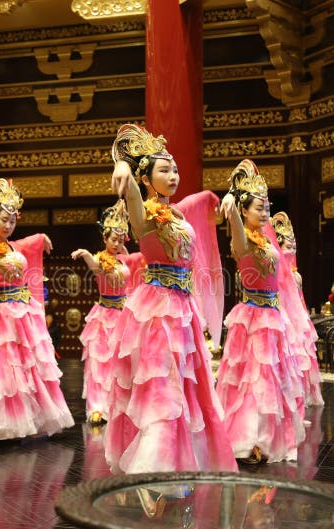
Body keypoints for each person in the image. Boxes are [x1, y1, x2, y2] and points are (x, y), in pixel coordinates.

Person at [105, 123, 237, 474]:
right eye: (164, 170)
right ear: (146, 178)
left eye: (175, 168)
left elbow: (202, 203)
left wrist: (227, 203)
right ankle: (153, 467)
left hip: (183, 306)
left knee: (184, 386)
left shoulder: (176, 214)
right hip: (158, 308)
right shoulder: (144, 213)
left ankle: (178, 460)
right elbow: (130, 193)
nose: (174, 175)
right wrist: (123, 167)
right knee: (161, 385)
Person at [0, 178, 74, 452]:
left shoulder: (11, 246)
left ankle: (33, 418)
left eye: (12, 220)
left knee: (30, 369)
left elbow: (27, 243)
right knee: (3, 373)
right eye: (3, 219)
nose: (8, 225)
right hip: (5, 313)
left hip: (25, 311)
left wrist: (42, 238)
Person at [216, 160, 306, 464]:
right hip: (253, 315)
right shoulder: (241, 241)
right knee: (251, 380)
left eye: (267, 207)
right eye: (259, 207)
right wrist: (231, 212)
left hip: (273, 314)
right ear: (244, 211)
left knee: (271, 378)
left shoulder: (268, 241)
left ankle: (267, 437)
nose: (265, 212)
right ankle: (248, 439)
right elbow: (238, 235)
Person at [71, 199, 136, 425]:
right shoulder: (100, 258)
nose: (117, 243)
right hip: (105, 313)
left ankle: (122, 403)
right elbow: (95, 267)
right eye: (113, 239)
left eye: (120, 239)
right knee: (101, 363)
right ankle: (98, 406)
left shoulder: (122, 259)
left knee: (122, 360)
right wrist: (85, 253)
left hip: (123, 313)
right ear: (104, 238)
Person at [272, 211, 324, 406]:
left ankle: (297, 399)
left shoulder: (296, 275)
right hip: (280, 314)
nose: (292, 249)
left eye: (294, 245)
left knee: (298, 359)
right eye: (288, 245)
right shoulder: (275, 269)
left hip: (295, 317)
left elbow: (299, 299)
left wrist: (304, 320)